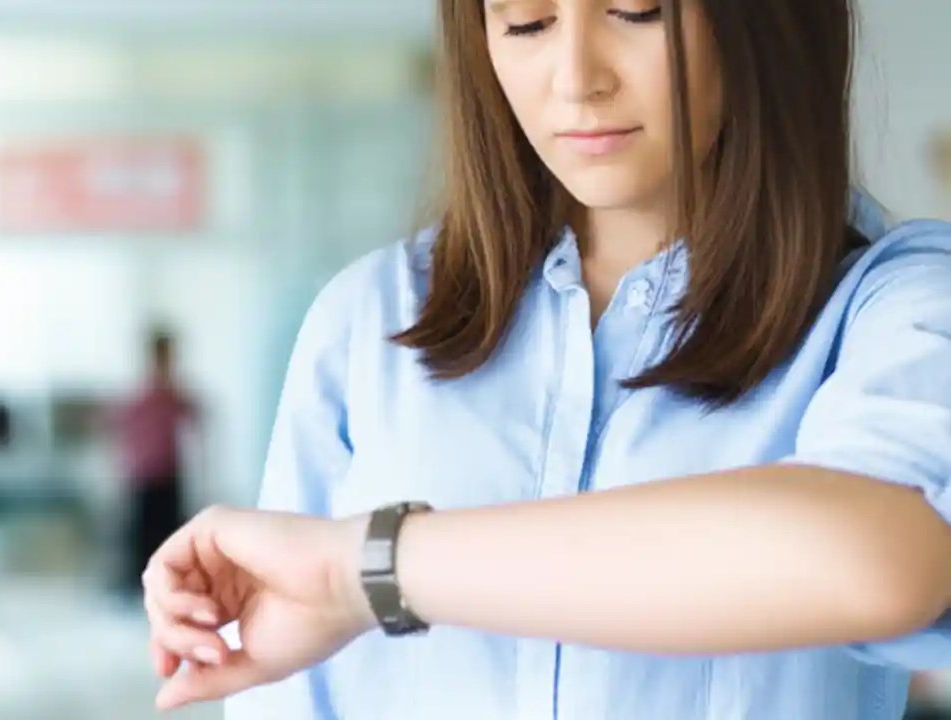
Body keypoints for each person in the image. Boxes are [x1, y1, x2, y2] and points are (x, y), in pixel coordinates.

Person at [142, 0, 951, 718]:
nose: (575, 80)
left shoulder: (898, 305)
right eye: (526, 22)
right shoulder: (370, 319)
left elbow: (876, 562)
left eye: (637, 13)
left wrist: (366, 571)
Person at [116, 328, 200, 595]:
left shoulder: (174, 395)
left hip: (169, 475)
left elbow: (198, 420)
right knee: (143, 540)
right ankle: (141, 591)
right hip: (144, 476)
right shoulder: (142, 396)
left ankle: (167, 588)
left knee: (169, 538)